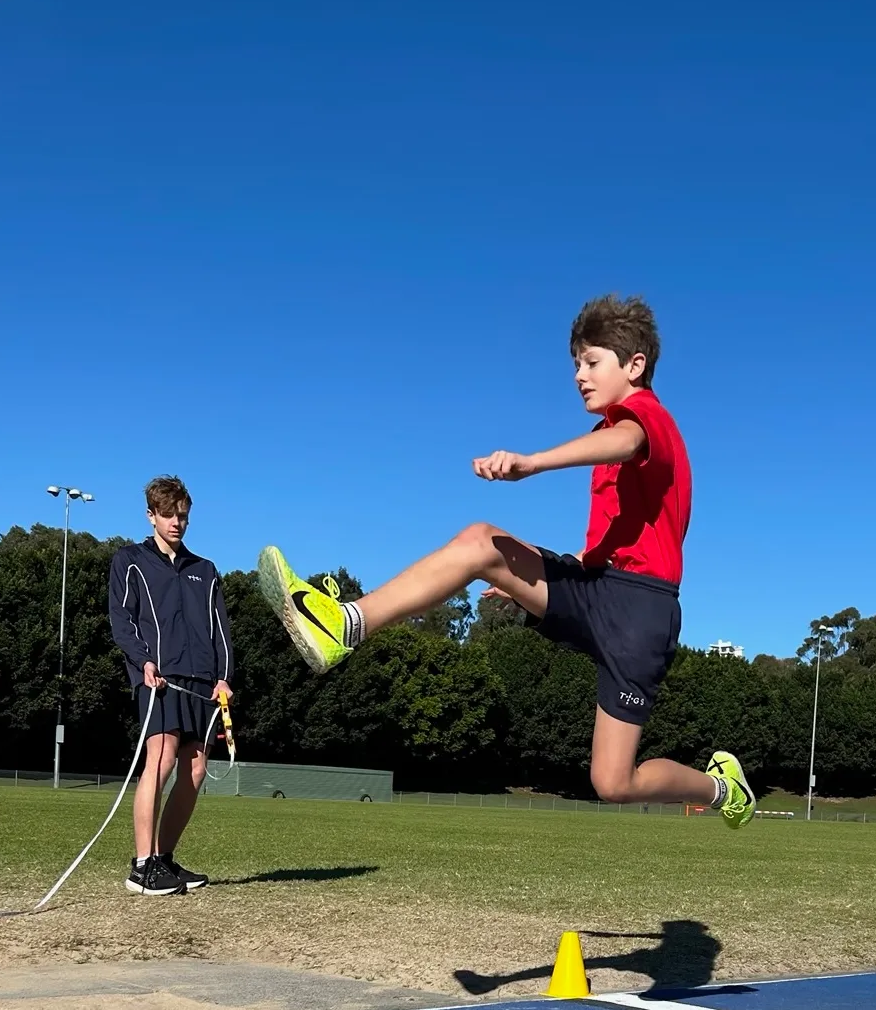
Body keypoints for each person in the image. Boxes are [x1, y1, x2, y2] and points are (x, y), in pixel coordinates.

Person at [256, 295, 755, 825]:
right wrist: (525, 584)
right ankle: (345, 624)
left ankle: (723, 789)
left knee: (612, 781)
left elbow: (628, 442)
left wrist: (532, 462)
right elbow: (617, 531)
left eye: (592, 362)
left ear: (634, 366)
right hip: (595, 583)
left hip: (642, 611)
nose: (579, 376)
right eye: (575, 365)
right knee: (481, 544)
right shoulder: (605, 430)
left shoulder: (645, 419)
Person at [109, 476, 234, 896]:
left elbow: (220, 631)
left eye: (183, 515)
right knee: (158, 764)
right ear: (151, 515)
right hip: (158, 679)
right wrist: (143, 661)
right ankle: (142, 867)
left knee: (195, 771)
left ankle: (164, 860)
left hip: (203, 684)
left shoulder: (206, 570)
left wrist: (224, 678)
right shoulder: (130, 560)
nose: (177, 523)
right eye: (168, 515)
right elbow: (122, 621)